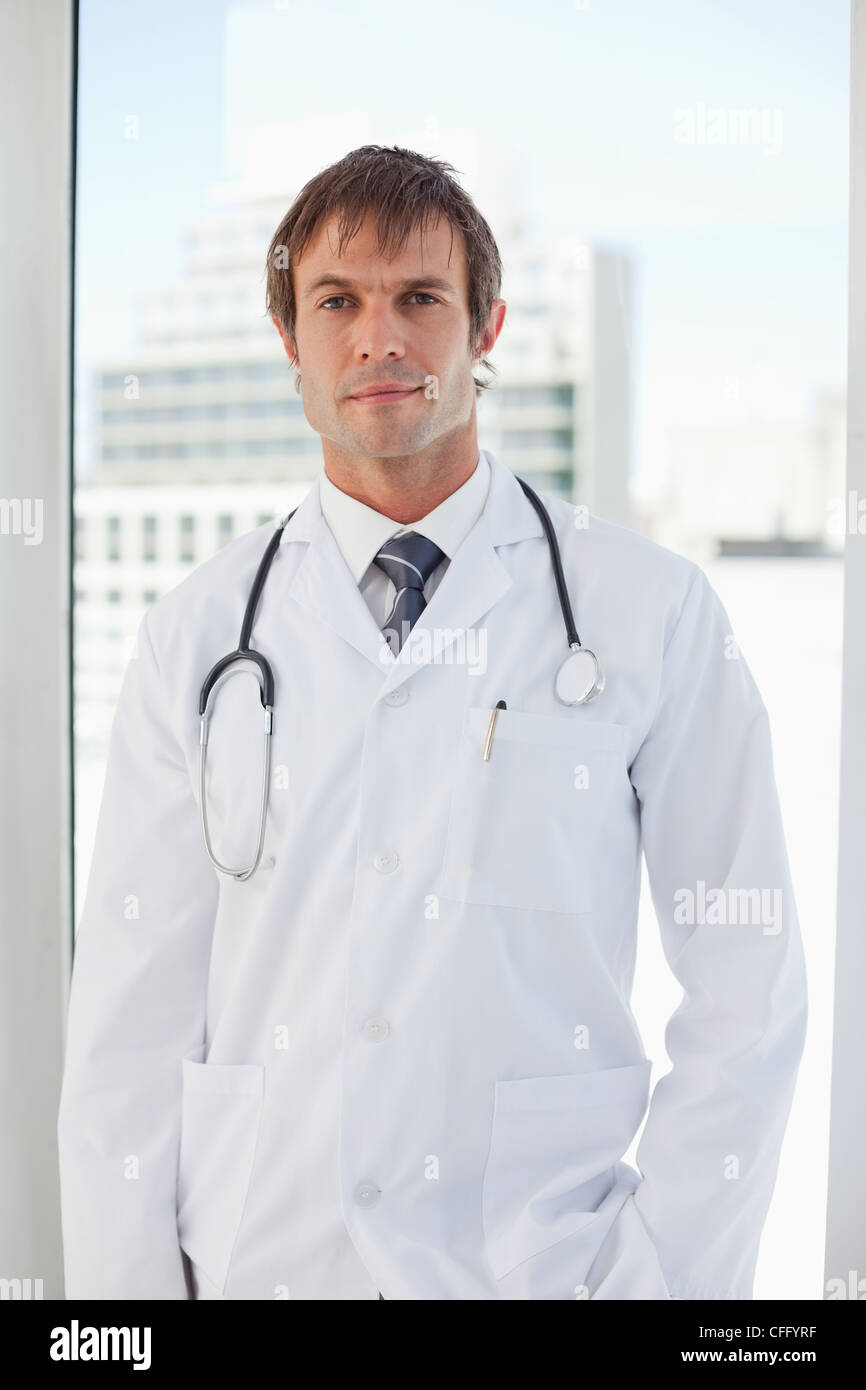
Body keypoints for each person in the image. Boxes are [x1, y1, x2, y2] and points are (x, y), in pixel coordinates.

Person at [57, 144, 807, 1301]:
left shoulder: (646, 610)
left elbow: (747, 985)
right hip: (262, 1267)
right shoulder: (196, 637)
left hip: (536, 1270)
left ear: (485, 327)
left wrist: (662, 1288)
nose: (379, 339)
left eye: (420, 297)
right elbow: (126, 1023)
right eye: (337, 302)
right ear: (289, 340)